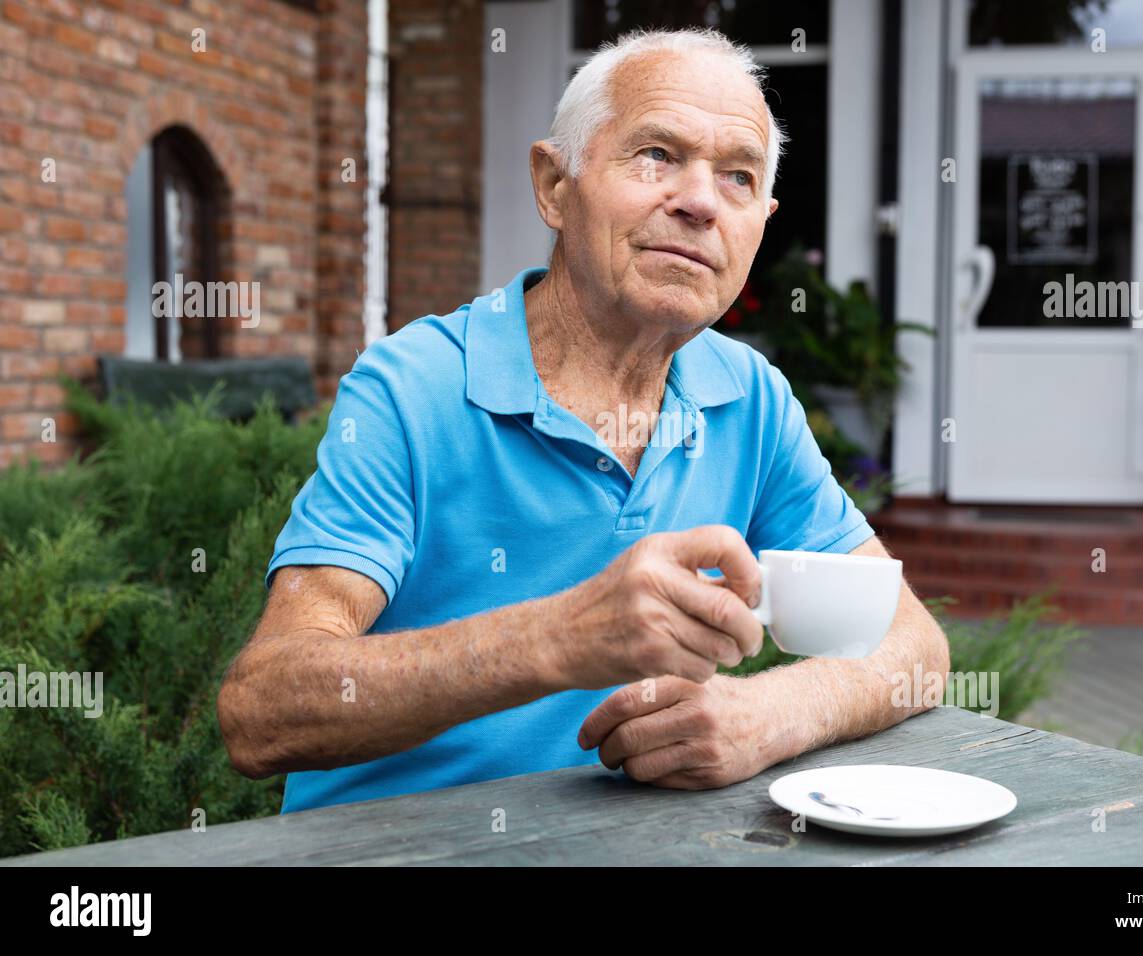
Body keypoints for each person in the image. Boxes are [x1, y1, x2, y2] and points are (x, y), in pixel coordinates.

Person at [217, 27, 949, 814]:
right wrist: (560, 638)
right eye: (657, 155)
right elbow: (262, 713)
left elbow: (916, 645)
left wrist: (766, 714)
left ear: (761, 221)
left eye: (737, 177)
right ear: (554, 184)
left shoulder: (751, 398)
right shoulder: (412, 388)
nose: (700, 202)